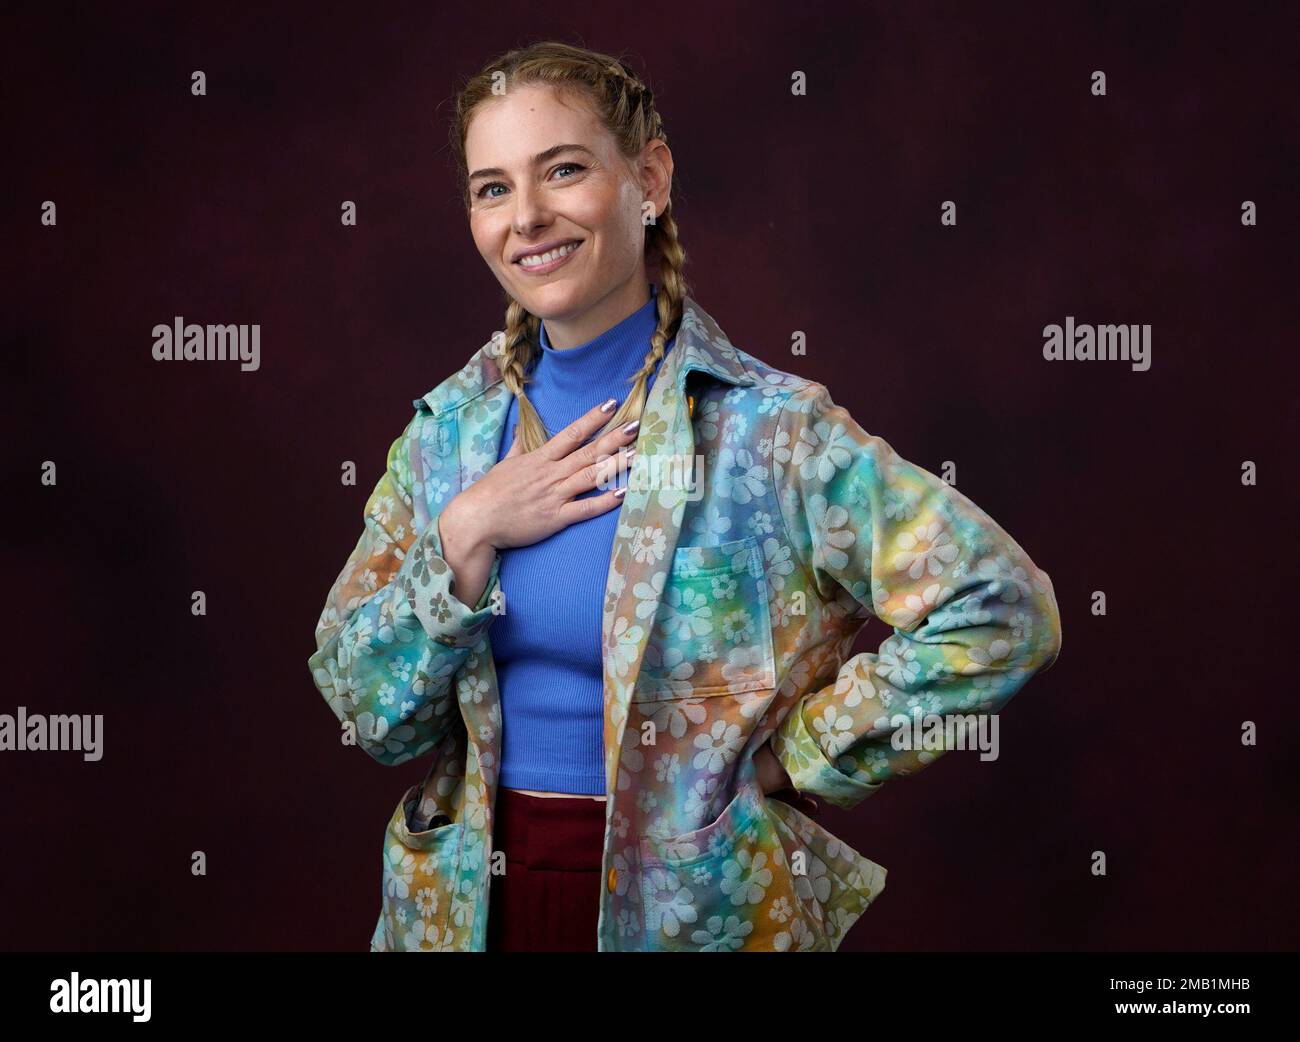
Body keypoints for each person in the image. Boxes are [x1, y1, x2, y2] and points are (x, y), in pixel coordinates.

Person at [307, 40, 1063, 953]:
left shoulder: (769, 435)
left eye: (566, 170)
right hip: (463, 914)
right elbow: (367, 714)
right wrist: (463, 537)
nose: (529, 218)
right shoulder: (444, 440)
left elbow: (1002, 607)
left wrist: (802, 757)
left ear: (649, 177)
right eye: (493, 188)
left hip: (697, 918)